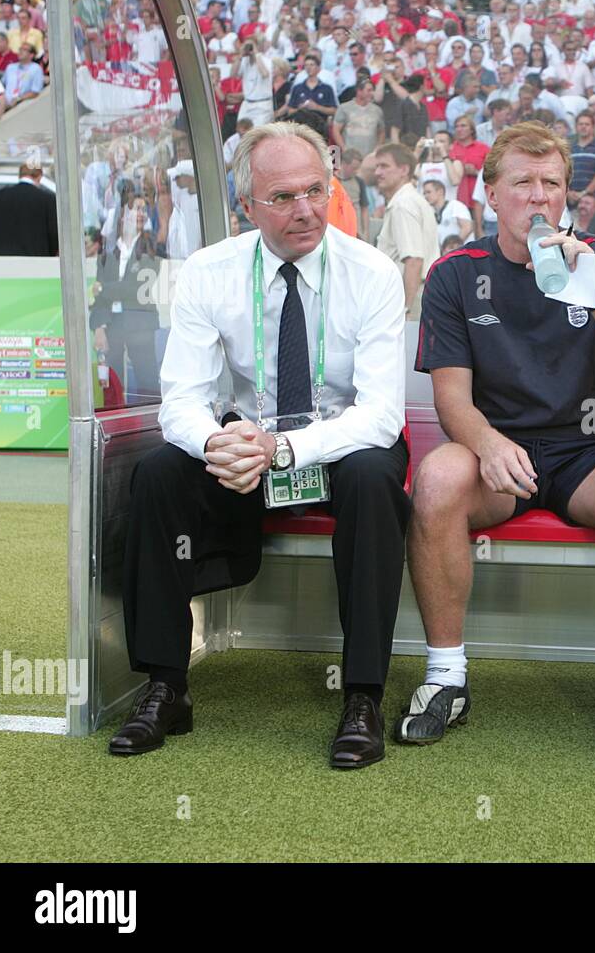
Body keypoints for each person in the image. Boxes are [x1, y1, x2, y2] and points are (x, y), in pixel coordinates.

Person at [109, 122, 409, 769]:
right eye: (283, 197)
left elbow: (382, 416)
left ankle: (362, 696)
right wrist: (222, 444)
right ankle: (167, 685)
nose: (306, 210)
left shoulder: (374, 273)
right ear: (248, 205)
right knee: (161, 474)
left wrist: (283, 451)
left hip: (339, 446)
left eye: (316, 190)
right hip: (249, 445)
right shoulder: (209, 272)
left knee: (374, 476)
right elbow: (181, 401)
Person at [407, 122, 595, 763]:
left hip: (592, 449)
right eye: (523, 184)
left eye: (552, 185)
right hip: (498, 451)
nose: (539, 198)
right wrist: (489, 444)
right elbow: (451, 399)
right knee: (438, 477)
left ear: (568, 196)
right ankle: (447, 677)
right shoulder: (455, 273)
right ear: (492, 193)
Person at [92, 193, 161, 400]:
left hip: (140, 323)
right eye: (136, 209)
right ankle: (115, 429)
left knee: (147, 383)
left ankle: (148, 430)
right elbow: (98, 298)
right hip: (112, 323)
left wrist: (104, 289)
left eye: (144, 210)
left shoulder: (150, 247)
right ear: (122, 216)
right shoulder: (108, 251)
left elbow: (136, 288)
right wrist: (99, 327)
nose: (141, 214)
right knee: (111, 383)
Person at [373, 143, 441, 316]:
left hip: (410, 296)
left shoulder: (403, 204)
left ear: (404, 170)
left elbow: (414, 260)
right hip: (418, 291)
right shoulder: (409, 200)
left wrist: (405, 310)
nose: (377, 173)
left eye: (384, 166)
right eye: (377, 166)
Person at [0, 162, 57, 256]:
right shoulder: (48, 200)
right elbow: (54, 233)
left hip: (0, 261)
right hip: (36, 261)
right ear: (39, 176)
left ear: (20, 175)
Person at [423, 176, 473, 247]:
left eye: (428, 192)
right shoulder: (431, 213)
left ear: (440, 191)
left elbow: (467, 227)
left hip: (462, 253)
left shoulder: (455, 205)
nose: (426, 196)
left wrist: (452, 248)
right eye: (424, 193)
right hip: (446, 255)